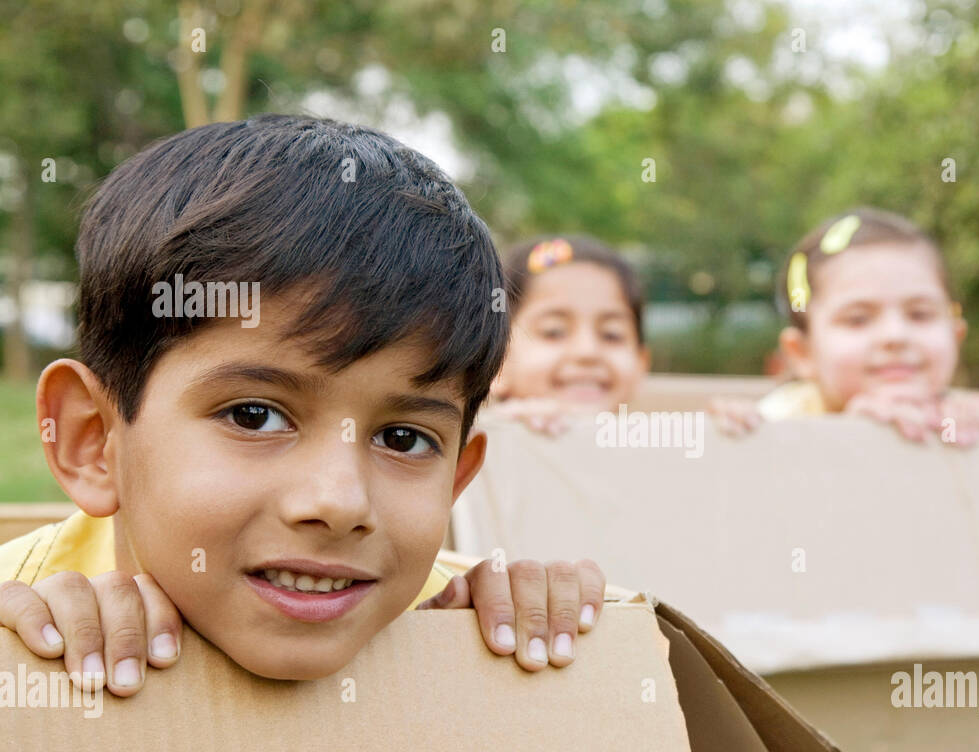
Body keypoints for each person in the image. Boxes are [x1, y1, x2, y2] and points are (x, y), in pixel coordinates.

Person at [0, 115, 613, 696]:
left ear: (456, 477)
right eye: (254, 416)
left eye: (403, 438)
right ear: (91, 440)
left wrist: (529, 632)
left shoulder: (461, 618)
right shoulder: (17, 617)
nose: (339, 503)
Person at [710, 207, 979, 445]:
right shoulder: (776, 420)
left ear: (956, 337)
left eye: (920, 314)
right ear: (802, 354)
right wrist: (735, 423)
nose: (895, 335)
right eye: (858, 319)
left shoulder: (961, 418)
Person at [482, 235, 650, 435]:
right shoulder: (479, 448)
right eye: (554, 332)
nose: (587, 351)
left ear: (642, 363)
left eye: (611, 335)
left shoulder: (670, 446)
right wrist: (510, 426)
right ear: (497, 362)